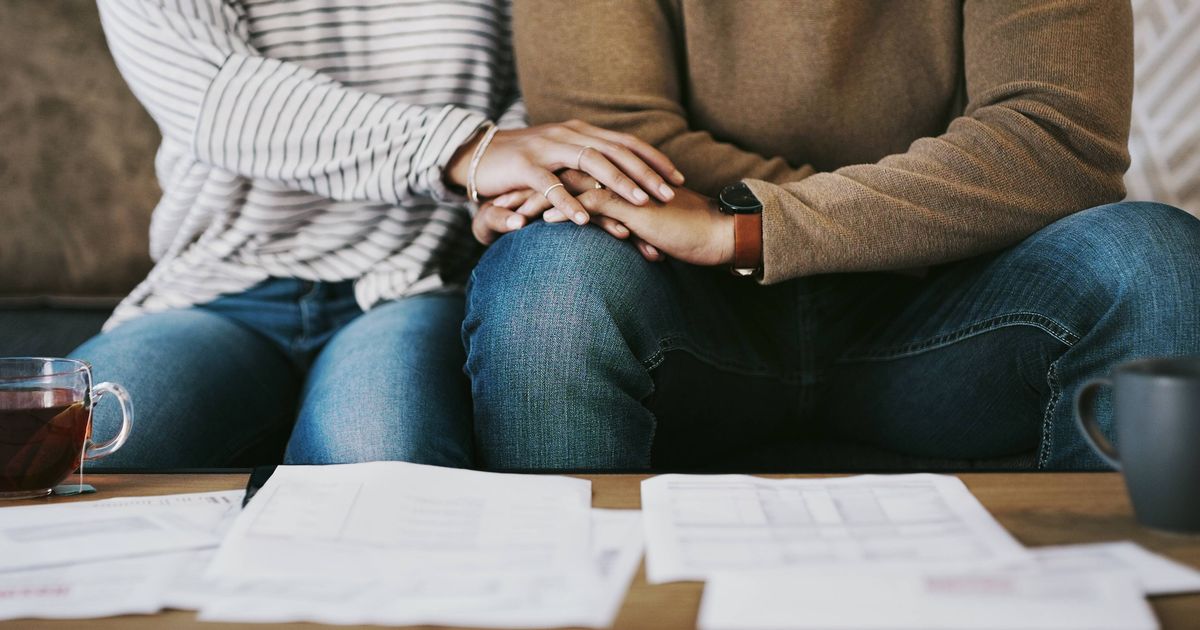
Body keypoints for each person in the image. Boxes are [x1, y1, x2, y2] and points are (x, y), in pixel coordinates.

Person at [464, 0, 1200, 471]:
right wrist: (920, 205)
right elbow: (616, 146)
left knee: (1154, 258)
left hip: (956, 308)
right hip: (689, 313)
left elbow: (1056, 140)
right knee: (547, 280)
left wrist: (754, 231)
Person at [73, 0, 680, 468]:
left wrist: (509, 193)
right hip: (218, 286)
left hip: (406, 284)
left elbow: (534, 86)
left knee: (380, 464)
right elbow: (213, 96)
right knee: (66, 451)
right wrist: (465, 150)